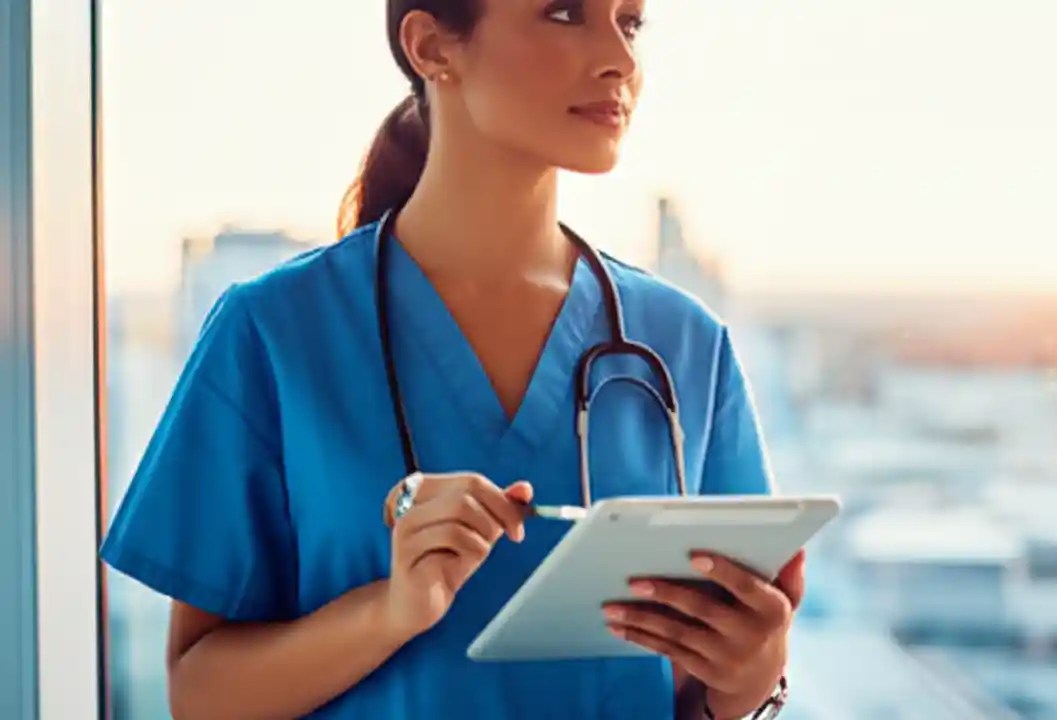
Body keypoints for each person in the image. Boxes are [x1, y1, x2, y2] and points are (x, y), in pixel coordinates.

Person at [100, 1, 802, 717]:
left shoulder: (683, 344)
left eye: (630, 21)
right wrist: (390, 611)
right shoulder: (272, 332)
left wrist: (749, 676)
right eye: (565, 13)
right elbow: (198, 697)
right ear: (432, 45)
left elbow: (688, 691)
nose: (619, 58)